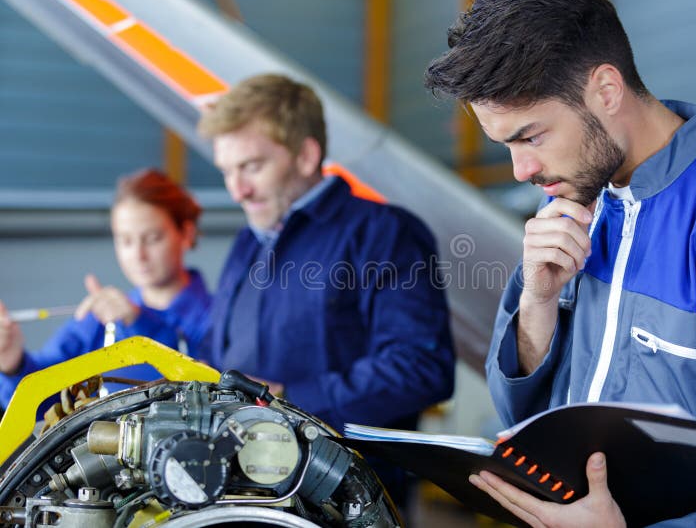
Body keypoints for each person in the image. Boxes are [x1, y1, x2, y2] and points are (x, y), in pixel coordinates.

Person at [425, 0, 696, 526]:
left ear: (605, 89)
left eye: (530, 136)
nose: (520, 169)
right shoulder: (571, 201)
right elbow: (521, 423)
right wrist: (537, 304)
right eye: (505, 145)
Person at [196, 73, 455, 511]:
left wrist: (291, 402)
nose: (237, 190)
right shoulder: (249, 242)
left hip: (344, 499)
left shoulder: (383, 234)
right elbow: (215, 353)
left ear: (305, 155)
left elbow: (421, 367)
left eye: (252, 167)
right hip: (245, 491)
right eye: (227, 171)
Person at [0, 169, 212, 408]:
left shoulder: (219, 317)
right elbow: (41, 399)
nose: (138, 255)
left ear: (186, 233)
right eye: (125, 240)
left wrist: (140, 325)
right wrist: (12, 362)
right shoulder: (102, 319)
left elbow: (210, 382)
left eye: (152, 238)